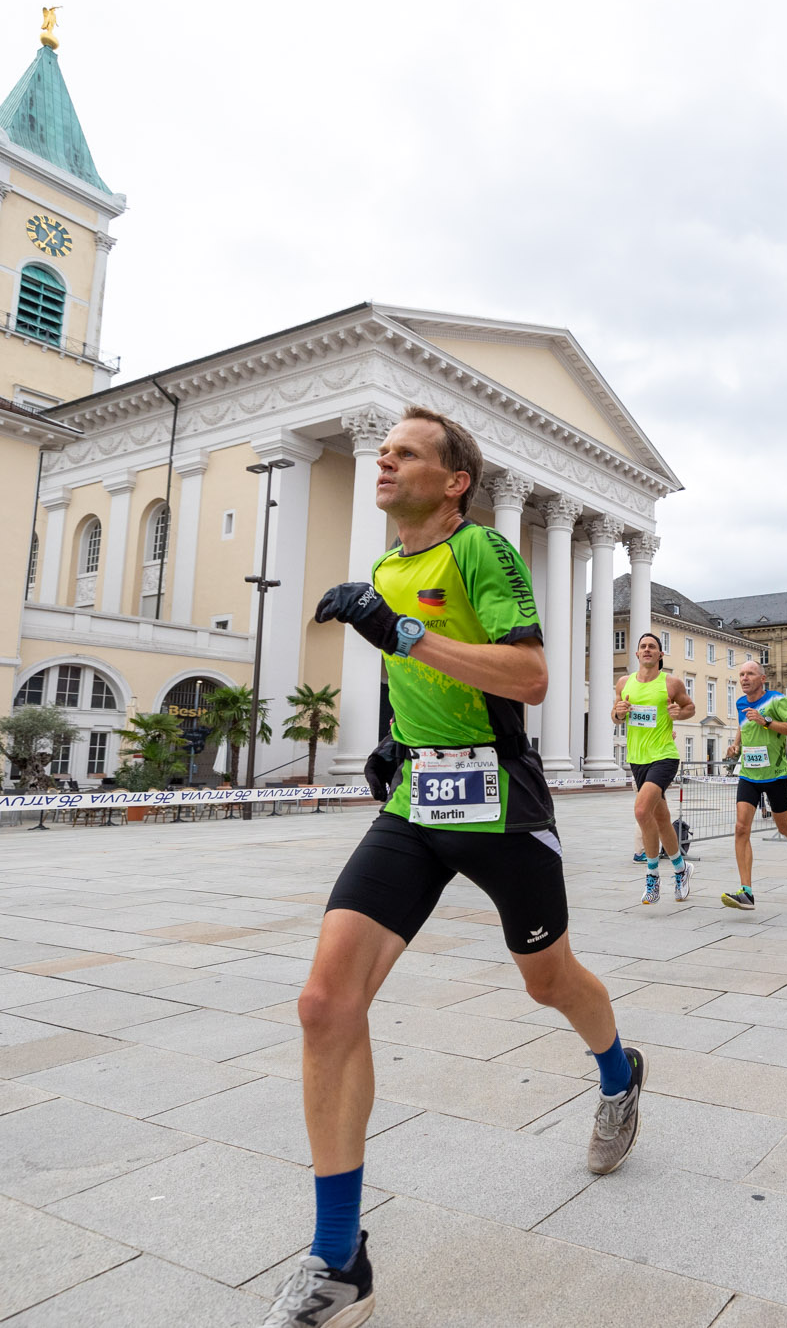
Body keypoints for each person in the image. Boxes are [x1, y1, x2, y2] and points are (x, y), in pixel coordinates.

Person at [280, 406, 641, 1328]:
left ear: (453, 483)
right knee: (326, 1002)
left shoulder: (482, 552)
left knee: (548, 980)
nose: (386, 459)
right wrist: (394, 740)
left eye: (407, 451)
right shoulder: (389, 568)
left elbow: (527, 678)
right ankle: (339, 1257)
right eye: (383, 449)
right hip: (415, 806)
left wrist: (399, 633)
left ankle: (618, 1069)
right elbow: (425, 683)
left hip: (502, 806)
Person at [613, 633, 696, 904]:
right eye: (643, 646)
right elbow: (615, 717)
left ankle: (652, 876)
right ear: (637, 654)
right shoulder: (624, 683)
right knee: (661, 819)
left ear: (660, 655)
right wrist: (619, 712)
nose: (647, 650)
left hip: (664, 756)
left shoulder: (670, 683)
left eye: (653, 647)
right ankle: (681, 869)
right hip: (638, 759)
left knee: (640, 810)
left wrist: (679, 714)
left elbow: (690, 707)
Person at [722, 660, 787, 910]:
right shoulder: (740, 703)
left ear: (762, 678)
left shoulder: (777, 701)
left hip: (776, 775)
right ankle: (746, 891)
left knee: (784, 827)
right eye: (741, 674)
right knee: (740, 828)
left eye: (750, 674)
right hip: (749, 774)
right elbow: (742, 725)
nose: (744, 678)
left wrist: (766, 722)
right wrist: (736, 744)